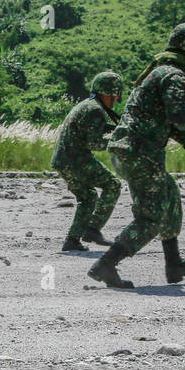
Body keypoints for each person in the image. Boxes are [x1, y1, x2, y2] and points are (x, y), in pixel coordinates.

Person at [88, 24, 185, 289]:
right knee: (152, 218)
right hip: (140, 153)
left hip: (129, 151)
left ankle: (174, 265)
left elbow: (171, 126)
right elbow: (181, 118)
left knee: (168, 195)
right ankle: (106, 264)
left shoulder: (160, 72)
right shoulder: (173, 76)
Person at [51, 70, 124, 252]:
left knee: (88, 197)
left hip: (62, 160)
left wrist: (117, 129)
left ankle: (72, 241)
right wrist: (122, 142)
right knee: (113, 185)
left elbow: (92, 130)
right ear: (106, 93)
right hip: (76, 159)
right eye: (115, 96)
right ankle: (92, 230)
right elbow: (95, 143)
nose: (116, 100)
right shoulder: (95, 110)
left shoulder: (87, 105)